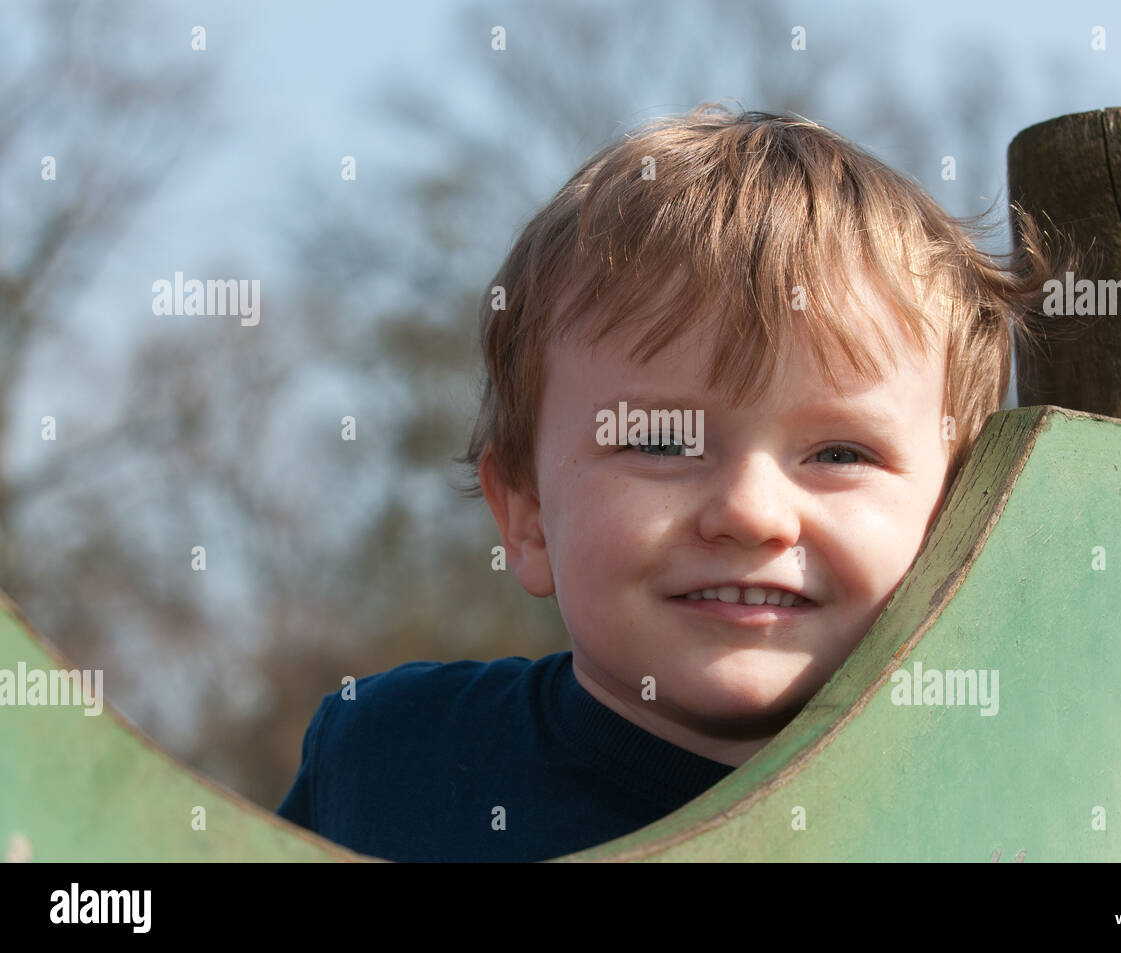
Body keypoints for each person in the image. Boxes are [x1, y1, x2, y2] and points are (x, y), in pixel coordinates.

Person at [275, 101, 1056, 862]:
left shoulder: (1012, 811)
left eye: (840, 454)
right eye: (661, 440)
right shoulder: (391, 758)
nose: (751, 514)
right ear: (529, 518)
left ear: (960, 514)